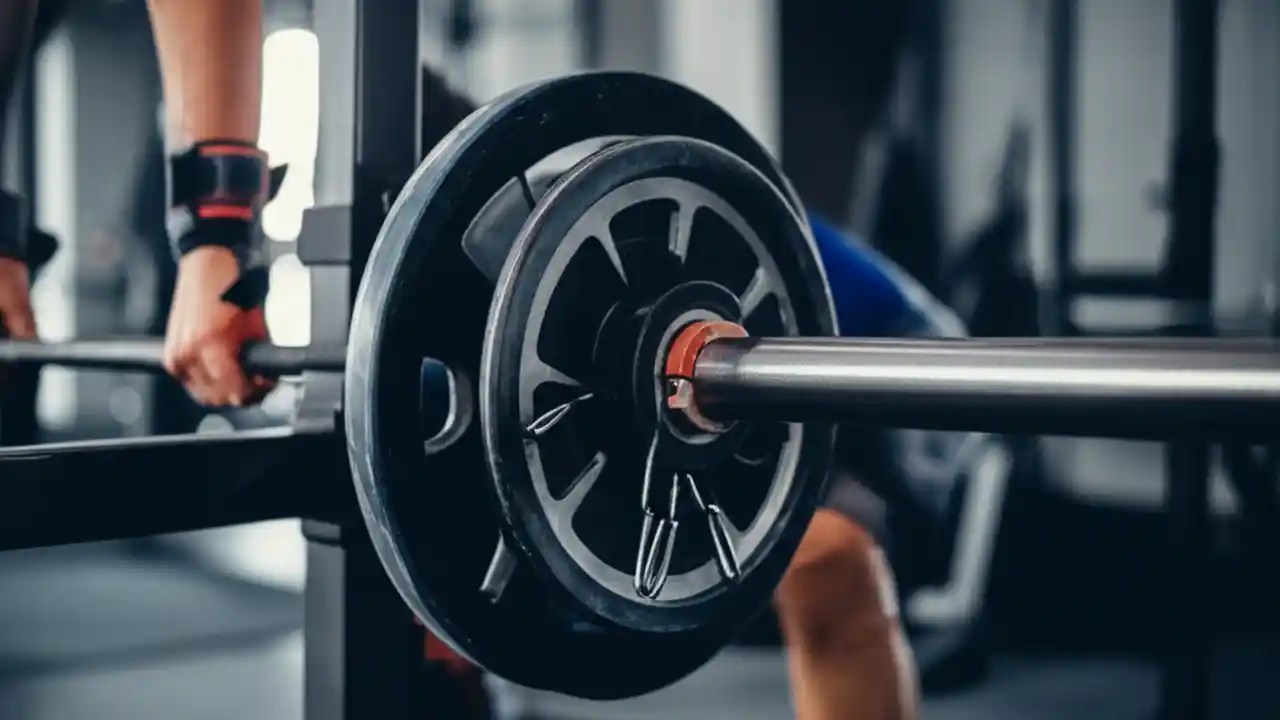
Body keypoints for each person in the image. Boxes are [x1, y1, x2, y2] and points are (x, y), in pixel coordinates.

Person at [0, 3, 932, 719]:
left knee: (832, 567)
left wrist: (211, 246)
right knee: (444, 580)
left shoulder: (583, 220)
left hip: (866, 358)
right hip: (662, 385)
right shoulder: (483, 272)